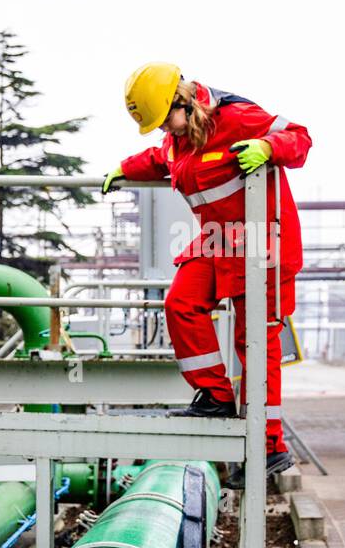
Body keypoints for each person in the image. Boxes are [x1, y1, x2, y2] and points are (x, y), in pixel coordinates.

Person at [102, 62, 312, 486]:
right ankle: (216, 396)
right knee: (180, 303)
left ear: (183, 103)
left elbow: (300, 138)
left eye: (167, 121)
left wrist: (269, 148)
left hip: (264, 244)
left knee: (254, 341)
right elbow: (158, 159)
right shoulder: (177, 140)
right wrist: (124, 168)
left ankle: (269, 447)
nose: (167, 131)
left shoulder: (235, 117)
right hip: (219, 242)